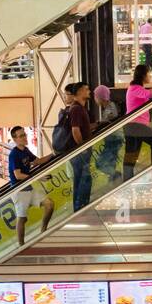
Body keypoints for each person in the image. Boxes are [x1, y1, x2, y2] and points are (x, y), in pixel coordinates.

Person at [8, 126, 55, 246]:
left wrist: (53, 154)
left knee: (49, 204)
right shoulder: (14, 154)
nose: (25, 137)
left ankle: (43, 231)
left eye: (24, 134)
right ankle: (21, 245)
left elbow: (38, 161)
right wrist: (37, 178)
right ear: (15, 139)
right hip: (19, 190)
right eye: (21, 136)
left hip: (29, 187)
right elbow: (18, 175)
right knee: (22, 218)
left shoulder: (25, 150)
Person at [123, 64, 152, 180]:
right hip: (134, 126)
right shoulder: (134, 89)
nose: (150, 76)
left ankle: (128, 180)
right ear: (143, 75)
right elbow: (149, 94)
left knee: (132, 155)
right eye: (149, 73)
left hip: (136, 126)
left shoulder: (137, 88)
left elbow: (148, 94)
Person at [64, 82, 95, 212]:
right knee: (83, 180)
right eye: (86, 89)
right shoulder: (76, 109)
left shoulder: (79, 108)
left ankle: (80, 207)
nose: (89, 91)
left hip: (80, 152)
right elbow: (75, 130)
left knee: (82, 180)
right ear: (80, 92)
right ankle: (80, 208)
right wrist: (83, 148)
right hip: (80, 153)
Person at [93, 85, 123, 176]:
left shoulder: (110, 107)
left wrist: (99, 124)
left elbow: (108, 121)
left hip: (114, 140)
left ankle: (116, 175)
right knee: (110, 163)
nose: (94, 98)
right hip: (113, 139)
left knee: (99, 164)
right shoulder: (109, 107)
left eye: (95, 96)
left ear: (100, 97)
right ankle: (114, 178)